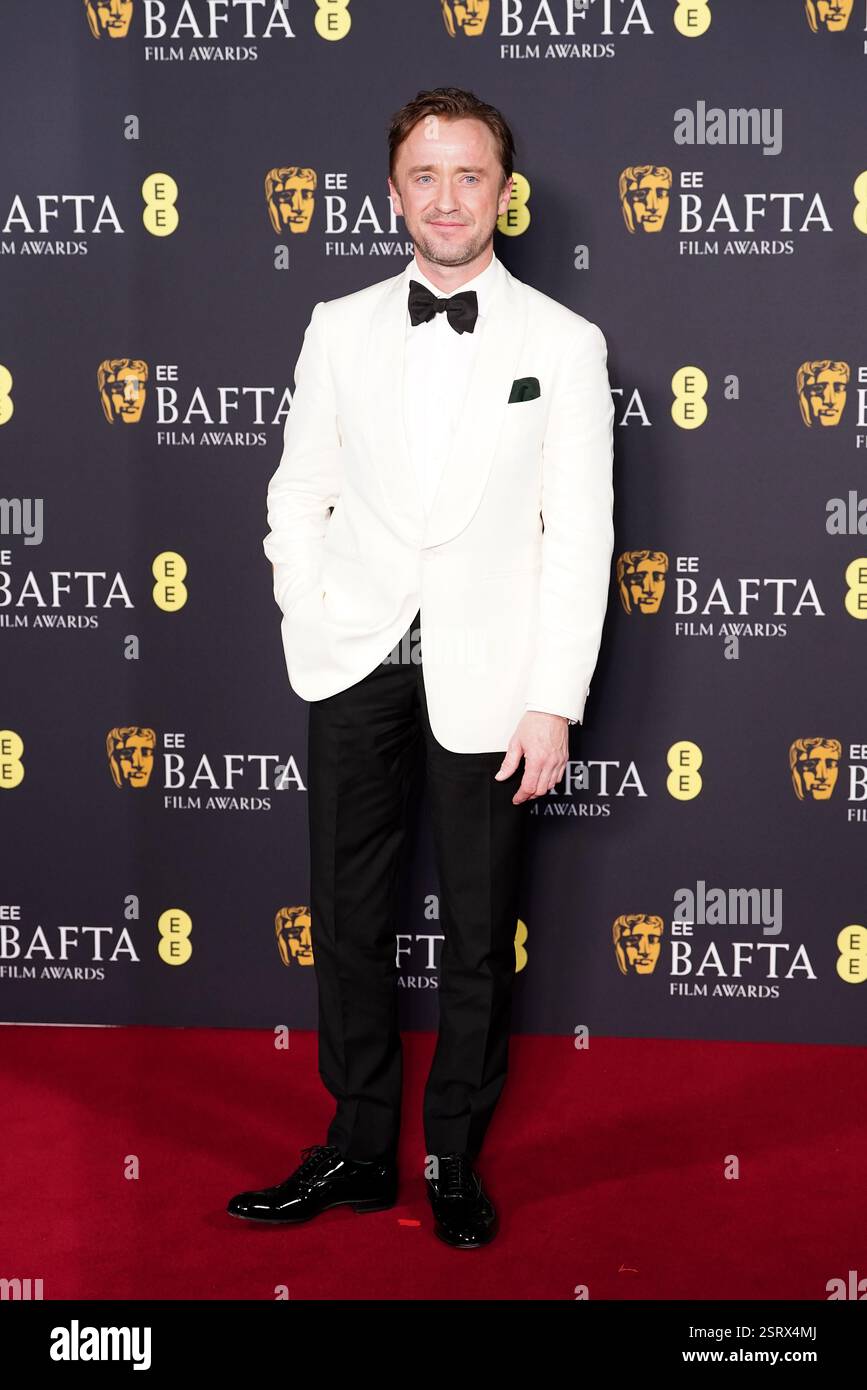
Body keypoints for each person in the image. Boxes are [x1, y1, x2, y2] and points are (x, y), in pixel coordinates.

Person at [227, 86, 615, 1249]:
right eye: (425, 177)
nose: (448, 199)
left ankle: (451, 1153)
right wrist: (311, 600)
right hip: (356, 662)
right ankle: (354, 1148)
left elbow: (580, 532)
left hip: (495, 679)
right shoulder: (337, 324)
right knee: (347, 921)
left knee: (480, 933)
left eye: (471, 177)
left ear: (505, 191)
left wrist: (554, 699)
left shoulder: (565, 341)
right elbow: (297, 490)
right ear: (392, 192)